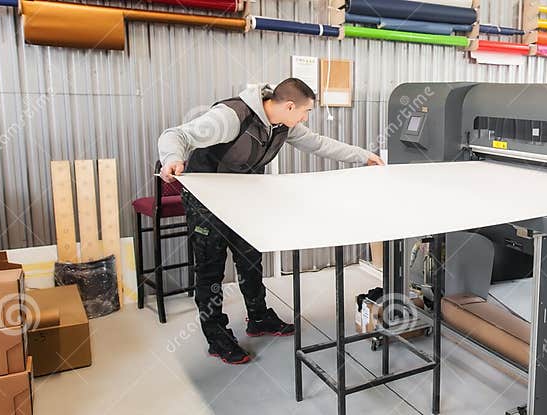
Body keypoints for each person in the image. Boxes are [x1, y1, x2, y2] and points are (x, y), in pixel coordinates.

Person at [157, 78, 384, 364]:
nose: (304, 118)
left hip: (244, 199)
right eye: (305, 112)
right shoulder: (232, 117)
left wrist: (364, 157)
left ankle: (259, 318)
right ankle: (217, 337)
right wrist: (172, 158)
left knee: (250, 260)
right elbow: (175, 135)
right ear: (289, 106)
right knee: (210, 271)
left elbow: (319, 144)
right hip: (207, 202)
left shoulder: (281, 125)